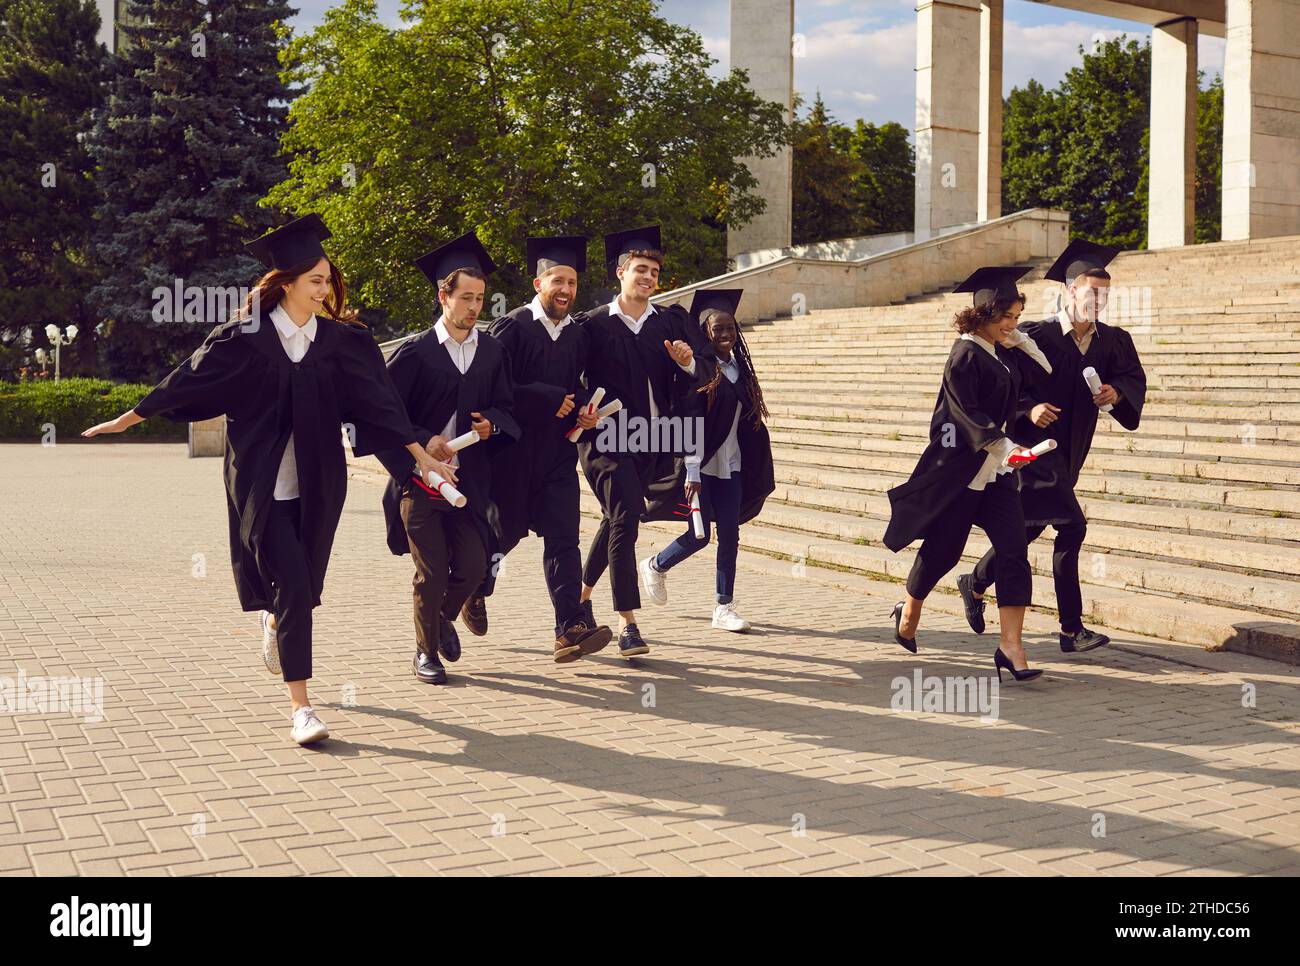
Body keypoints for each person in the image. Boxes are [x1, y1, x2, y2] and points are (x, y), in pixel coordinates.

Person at [82, 214, 452, 743]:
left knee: (307, 588)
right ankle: (302, 708)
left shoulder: (343, 342)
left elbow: (382, 407)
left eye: (328, 280)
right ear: (288, 283)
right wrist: (128, 418)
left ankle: (276, 623)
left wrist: (420, 455)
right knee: (296, 588)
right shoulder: (246, 337)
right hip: (261, 484)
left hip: (319, 484)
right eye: (316, 281)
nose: (326, 290)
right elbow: (189, 378)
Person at [961, 240, 1146, 654]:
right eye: (1090, 292)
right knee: (1072, 526)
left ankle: (974, 582)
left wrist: (1115, 394)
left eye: (1105, 294)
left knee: (1029, 526)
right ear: (1069, 292)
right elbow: (1002, 384)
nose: (1098, 300)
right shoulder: (1032, 336)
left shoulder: (1114, 341)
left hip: (1073, 448)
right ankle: (1071, 629)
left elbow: (1132, 381)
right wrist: (1028, 409)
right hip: (1035, 450)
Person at [352, 232, 519, 685]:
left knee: (471, 567)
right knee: (430, 571)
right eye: (466, 297)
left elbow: (507, 405)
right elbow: (382, 415)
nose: (474, 307)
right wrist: (423, 443)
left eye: (481, 298)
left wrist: (493, 425)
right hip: (420, 485)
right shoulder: (416, 354)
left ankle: (443, 619)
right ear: (443, 295)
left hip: (467, 484)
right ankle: (426, 654)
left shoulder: (492, 352)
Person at [882, 266, 1053, 682]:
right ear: (983, 313)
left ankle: (1011, 646)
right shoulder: (964, 354)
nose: (1012, 324)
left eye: (1016, 316)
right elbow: (966, 414)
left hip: (994, 474)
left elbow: (1044, 373)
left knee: (1013, 550)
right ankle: (910, 606)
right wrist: (1007, 447)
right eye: (1006, 317)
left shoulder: (1003, 351)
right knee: (944, 552)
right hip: (958, 471)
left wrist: (1021, 339)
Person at [471, 235, 614, 662]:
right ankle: (474, 589)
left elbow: (574, 388)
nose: (566, 290)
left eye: (571, 282)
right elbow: (491, 388)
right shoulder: (512, 327)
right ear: (539, 284)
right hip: (512, 456)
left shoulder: (578, 336)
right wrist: (545, 396)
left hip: (555, 455)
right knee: (502, 535)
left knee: (564, 539)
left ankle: (569, 627)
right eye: (557, 281)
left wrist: (584, 412)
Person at [575, 225, 707, 658]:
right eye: (639, 269)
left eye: (653, 271)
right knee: (627, 519)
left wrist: (687, 364)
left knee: (616, 517)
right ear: (620, 272)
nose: (647, 277)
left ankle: (579, 598)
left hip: (651, 440)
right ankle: (627, 623)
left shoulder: (669, 322)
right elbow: (571, 380)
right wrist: (580, 409)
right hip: (606, 439)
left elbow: (696, 376)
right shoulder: (593, 326)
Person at [641, 288, 774, 632]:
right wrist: (692, 469)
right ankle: (656, 564)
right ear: (705, 333)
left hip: (731, 465)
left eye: (731, 328)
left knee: (730, 534)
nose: (727, 336)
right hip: (700, 466)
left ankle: (723, 606)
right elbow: (690, 418)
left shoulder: (739, 368)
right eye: (718, 330)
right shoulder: (700, 369)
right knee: (699, 536)